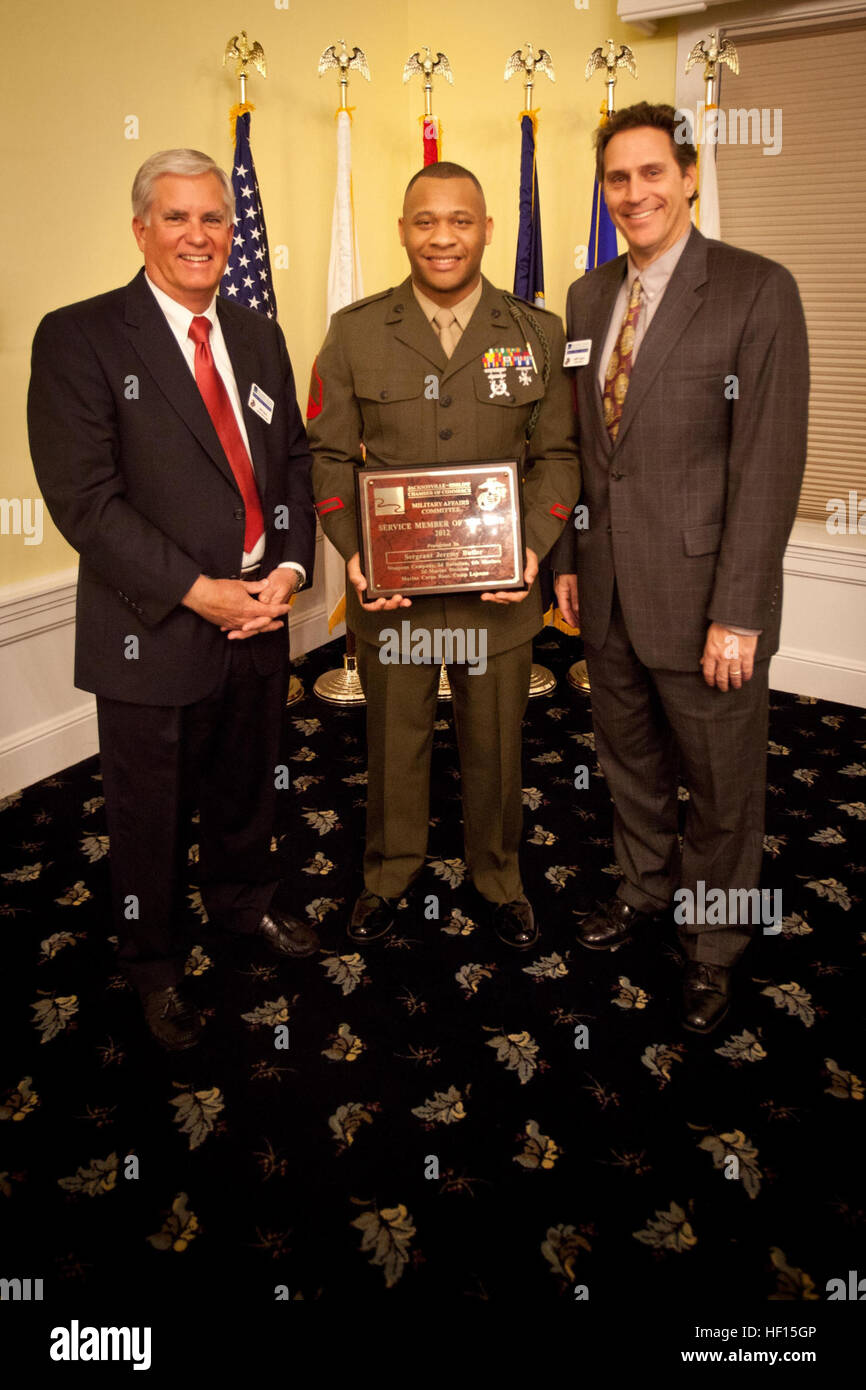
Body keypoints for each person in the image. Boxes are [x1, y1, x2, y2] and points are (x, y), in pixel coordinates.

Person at [28, 149, 317, 1051]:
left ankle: (241, 907)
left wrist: (292, 569)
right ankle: (152, 964)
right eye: (179, 217)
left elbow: (295, 466)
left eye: (215, 220)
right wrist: (199, 594)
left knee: (245, 788)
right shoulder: (80, 337)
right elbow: (86, 501)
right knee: (147, 814)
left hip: (260, 617)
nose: (200, 235)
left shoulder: (258, 333)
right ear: (141, 228)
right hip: (149, 629)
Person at [552, 102, 809, 1033]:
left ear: (690, 176)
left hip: (707, 600)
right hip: (610, 590)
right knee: (630, 767)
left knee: (724, 784)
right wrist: (573, 561)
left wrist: (737, 612)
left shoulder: (755, 289)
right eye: (617, 179)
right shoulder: (586, 299)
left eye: (651, 173)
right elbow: (589, 451)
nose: (633, 194)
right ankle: (643, 890)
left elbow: (768, 464)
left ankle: (715, 943)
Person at [308, 161, 580, 949]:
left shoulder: (536, 332)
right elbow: (326, 457)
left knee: (496, 741)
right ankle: (390, 872)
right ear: (402, 230)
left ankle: (498, 876)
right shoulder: (355, 331)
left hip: (499, 594)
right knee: (395, 738)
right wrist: (356, 555)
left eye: (460, 220)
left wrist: (531, 547)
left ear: (488, 229)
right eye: (425, 220)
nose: (443, 237)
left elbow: (559, 455)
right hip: (393, 591)